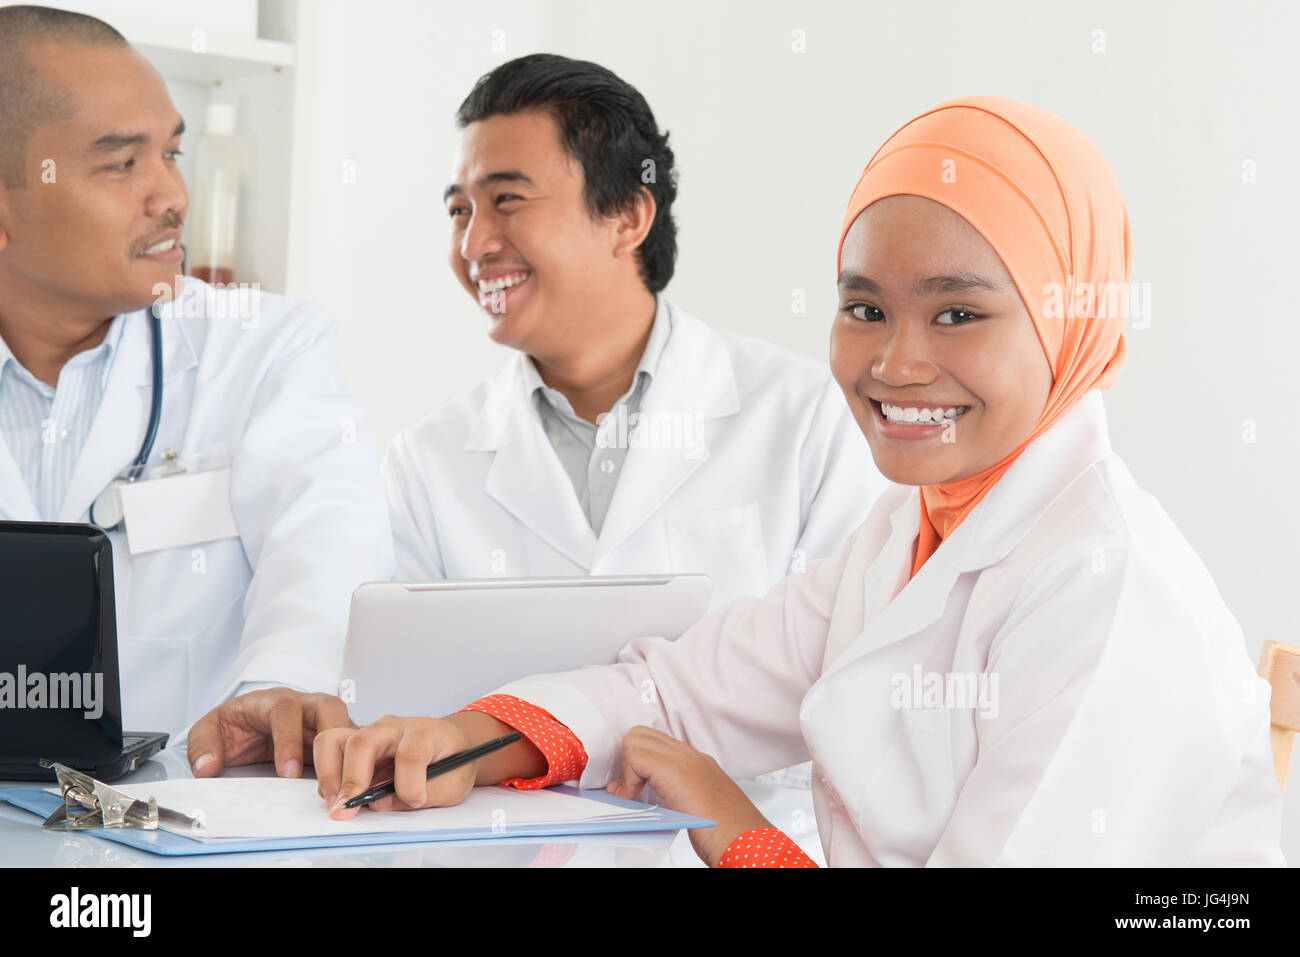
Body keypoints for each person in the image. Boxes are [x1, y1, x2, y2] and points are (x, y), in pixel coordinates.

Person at [314, 96, 1285, 867]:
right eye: (863, 307)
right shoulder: (914, 531)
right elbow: (677, 688)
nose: (896, 363)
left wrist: (743, 838)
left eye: (957, 316)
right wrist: (467, 738)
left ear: (1068, 323)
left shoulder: (1109, 590)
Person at [0, 6, 392, 779]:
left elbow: (328, 556)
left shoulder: (267, 351)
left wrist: (280, 690)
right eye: (122, 165)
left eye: (171, 153)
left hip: (192, 824)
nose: (173, 194)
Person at [383, 54, 886, 611]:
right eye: (459, 211)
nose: (474, 245)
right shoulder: (424, 463)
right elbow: (410, 680)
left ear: (627, 216)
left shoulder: (809, 418)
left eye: (507, 200)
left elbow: (842, 653)